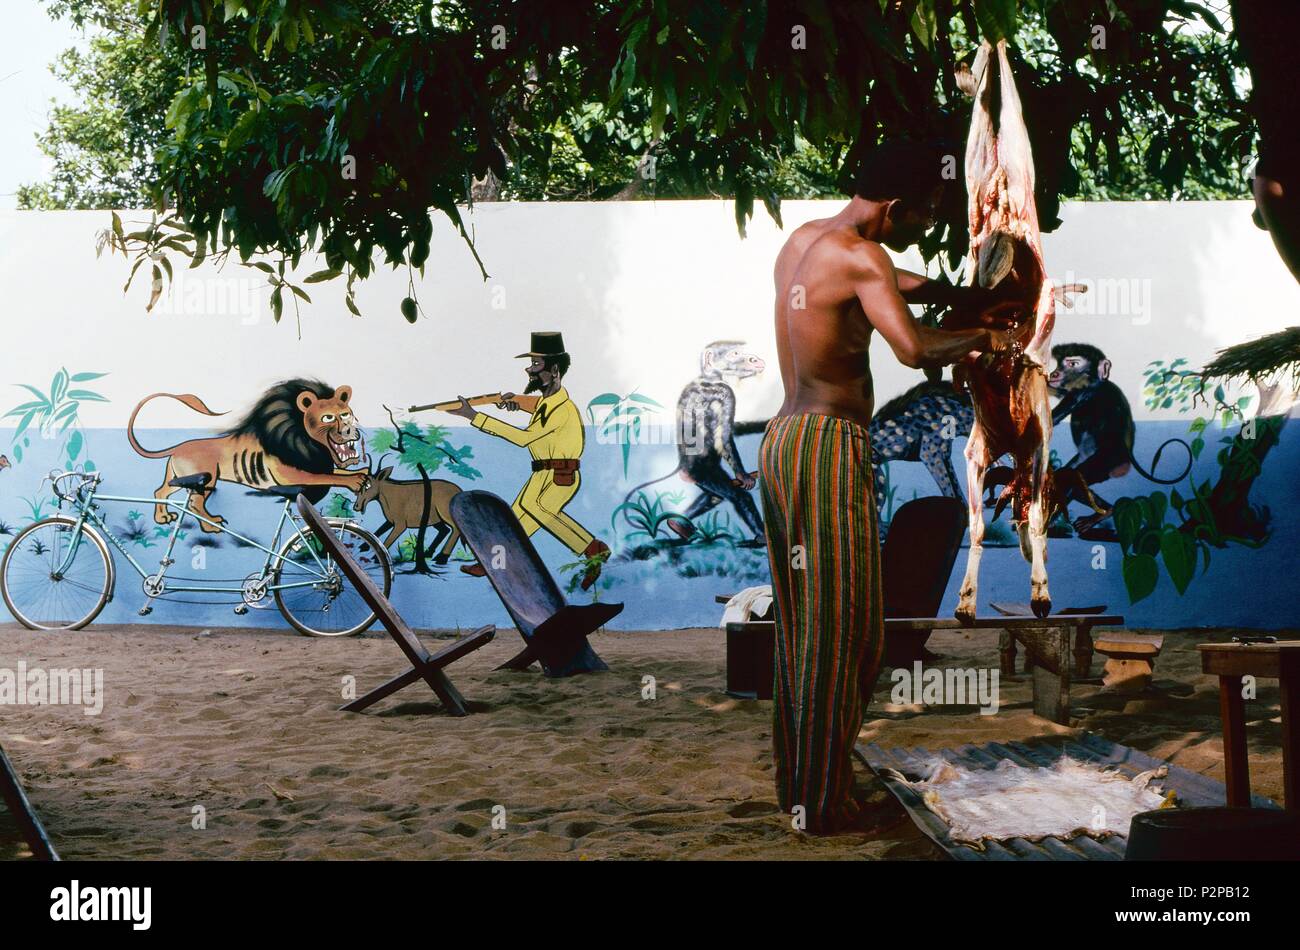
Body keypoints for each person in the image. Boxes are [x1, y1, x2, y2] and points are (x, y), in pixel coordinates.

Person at [763, 139, 1018, 834]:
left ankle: (803, 787)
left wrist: (963, 297)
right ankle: (823, 804)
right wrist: (982, 340)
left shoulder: (810, 242)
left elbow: (890, 280)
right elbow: (911, 348)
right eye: (927, 213)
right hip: (828, 444)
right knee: (847, 633)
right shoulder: (863, 256)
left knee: (804, 627)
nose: (928, 225)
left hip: (783, 443)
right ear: (899, 207)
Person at [446, 331, 610, 591]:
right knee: (516, 520)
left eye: (536, 364)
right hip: (541, 474)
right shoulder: (548, 402)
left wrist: (474, 417)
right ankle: (491, 561)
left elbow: (524, 439)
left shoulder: (561, 409)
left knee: (539, 510)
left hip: (559, 475)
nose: (529, 369)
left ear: (554, 369)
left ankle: (593, 549)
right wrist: (514, 402)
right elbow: (538, 406)